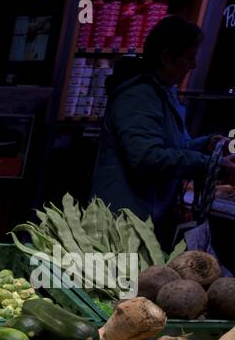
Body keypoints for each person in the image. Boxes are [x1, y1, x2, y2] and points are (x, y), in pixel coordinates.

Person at [90, 15, 221, 245]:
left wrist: (208, 145)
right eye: (188, 58)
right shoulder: (138, 95)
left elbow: (172, 146)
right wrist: (207, 163)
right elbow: (147, 157)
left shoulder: (164, 90)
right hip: (122, 222)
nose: (194, 66)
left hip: (144, 218)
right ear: (166, 57)